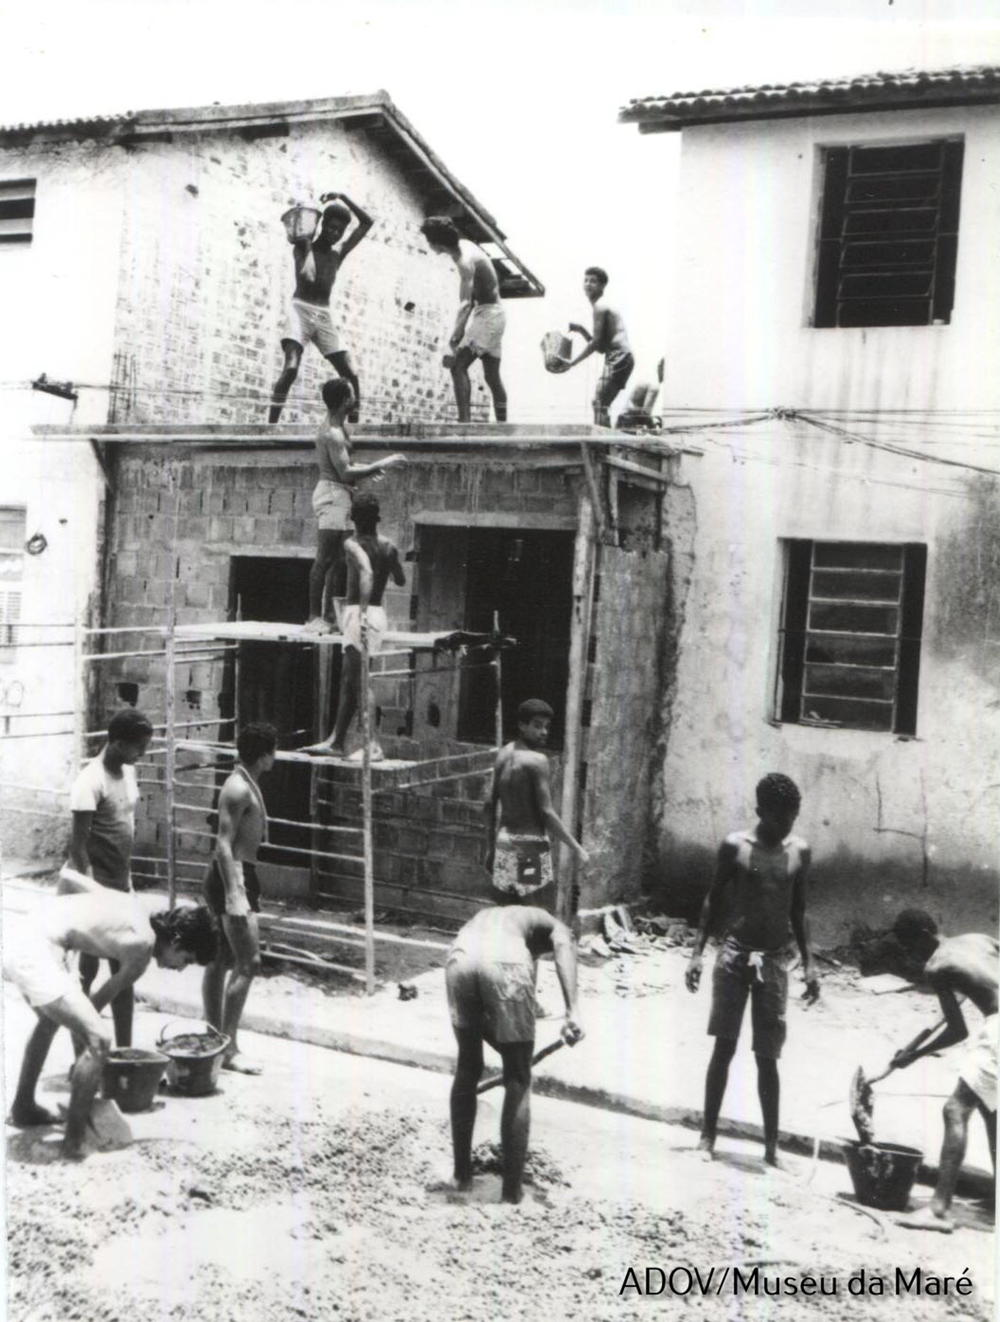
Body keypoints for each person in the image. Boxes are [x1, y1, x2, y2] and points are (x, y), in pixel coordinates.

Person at [5, 865, 217, 1160]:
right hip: (35, 950)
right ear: (178, 942)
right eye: (186, 960)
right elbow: (96, 1007)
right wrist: (87, 1055)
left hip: (22, 930)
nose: (180, 968)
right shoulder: (143, 948)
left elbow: (69, 876)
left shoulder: (131, 905)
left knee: (51, 1021)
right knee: (100, 1040)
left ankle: (23, 1107)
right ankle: (73, 1142)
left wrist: (65, 937)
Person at [685, 773, 820, 1167]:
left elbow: (800, 910)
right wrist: (696, 954)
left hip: (776, 961)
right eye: (781, 819)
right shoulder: (735, 847)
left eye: (793, 818)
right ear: (761, 812)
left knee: (768, 1057)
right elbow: (712, 899)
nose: (788, 826)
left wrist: (811, 965)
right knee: (723, 1047)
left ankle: (771, 1147)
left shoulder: (800, 851)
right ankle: (708, 1135)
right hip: (734, 955)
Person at [445, 905, 584, 1203]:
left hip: (460, 953)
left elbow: (487, 1014)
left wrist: (508, 1042)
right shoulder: (558, 928)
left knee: (468, 1066)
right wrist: (573, 1011)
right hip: (504, 958)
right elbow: (563, 945)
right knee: (518, 1078)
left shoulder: (507, 917)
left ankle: (462, 1177)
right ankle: (511, 1193)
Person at [890, 909, 997, 1232]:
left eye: (909, 946)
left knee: (955, 1109)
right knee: (991, 1109)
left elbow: (957, 1031)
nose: (909, 953)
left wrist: (915, 1054)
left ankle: (937, 1210)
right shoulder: (977, 939)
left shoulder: (936, 966)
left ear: (924, 935)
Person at [68, 707, 153, 1048]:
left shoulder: (128, 772)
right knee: (85, 973)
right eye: (139, 747)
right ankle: (83, 1052)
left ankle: (125, 1051)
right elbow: (77, 846)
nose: (143, 753)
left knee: (124, 972)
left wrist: (127, 885)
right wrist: (92, 895)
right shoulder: (90, 781)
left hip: (121, 886)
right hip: (94, 888)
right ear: (118, 743)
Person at [303, 493, 405, 759]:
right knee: (350, 680)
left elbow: (367, 571)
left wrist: (359, 611)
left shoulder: (351, 544)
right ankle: (337, 741)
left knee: (359, 680)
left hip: (359, 615)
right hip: (375, 615)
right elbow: (401, 580)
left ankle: (373, 746)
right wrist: (389, 563)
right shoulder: (389, 546)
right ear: (378, 519)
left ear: (353, 519)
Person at [201, 721, 277, 1075]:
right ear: (265, 756)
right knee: (249, 963)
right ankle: (227, 1048)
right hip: (234, 876)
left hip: (238, 874)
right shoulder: (237, 789)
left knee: (221, 959)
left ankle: (215, 1039)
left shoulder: (247, 782)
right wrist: (236, 892)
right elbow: (223, 844)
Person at [304, 378, 405, 634]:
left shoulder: (341, 428)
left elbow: (348, 470)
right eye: (350, 395)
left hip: (341, 493)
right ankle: (313, 617)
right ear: (342, 400)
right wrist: (382, 463)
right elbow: (345, 471)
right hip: (333, 495)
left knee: (339, 559)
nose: (354, 399)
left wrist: (367, 471)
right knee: (325, 557)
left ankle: (328, 616)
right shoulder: (332, 433)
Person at [269, 193, 373, 424]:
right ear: (321, 225)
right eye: (331, 227)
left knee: (351, 375)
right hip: (300, 311)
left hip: (324, 315)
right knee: (291, 369)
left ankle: (354, 431)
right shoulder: (302, 247)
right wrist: (306, 243)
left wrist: (344, 197)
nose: (334, 234)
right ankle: (271, 426)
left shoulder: (338, 253)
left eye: (340, 231)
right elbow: (308, 276)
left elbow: (367, 223)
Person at [484, 698, 589, 913]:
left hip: (504, 845)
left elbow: (488, 804)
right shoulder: (537, 760)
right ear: (522, 725)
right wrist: (577, 848)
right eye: (537, 725)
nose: (543, 732)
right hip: (529, 848)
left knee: (507, 919)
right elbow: (546, 813)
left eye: (546, 727)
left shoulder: (503, 754)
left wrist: (489, 848)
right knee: (538, 916)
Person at [420, 216, 507, 423]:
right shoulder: (464, 246)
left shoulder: (464, 261)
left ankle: (464, 425)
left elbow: (465, 304)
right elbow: (471, 304)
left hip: (489, 316)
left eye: (429, 240)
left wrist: (452, 343)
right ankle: (503, 426)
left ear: (436, 242)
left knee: (458, 366)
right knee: (492, 376)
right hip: (491, 314)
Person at [564, 267, 634, 427]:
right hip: (620, 357)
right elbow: (601, 347)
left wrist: (572, 363)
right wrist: (582, 330)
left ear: (602, 286)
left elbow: (595, 344)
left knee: (599, 402)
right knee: (601, 403)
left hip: (619, 356)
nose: (588, 284)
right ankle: (602, 444)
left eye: (593, 281)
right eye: (586, 280)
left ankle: (601, 444)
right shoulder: (600, 307)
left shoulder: (600, 307)